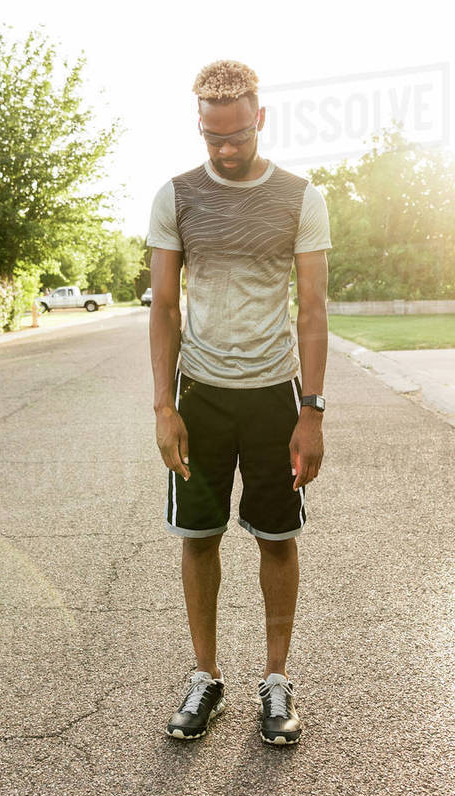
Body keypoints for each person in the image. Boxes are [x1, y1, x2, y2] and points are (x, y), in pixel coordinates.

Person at [146, 59, 330, 746]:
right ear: (200, 126)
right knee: (198, 536)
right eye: (210, 136)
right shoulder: (176, 195)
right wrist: (163, 407)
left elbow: (312, 309)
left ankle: (275, 679)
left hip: (274, 394)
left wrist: (311, 410)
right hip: (201, 395)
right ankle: (205, 677)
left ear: (260, 117)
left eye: (235, 135)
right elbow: (164, 307)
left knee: (277, 538)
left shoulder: (300, 197)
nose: (224, 149)